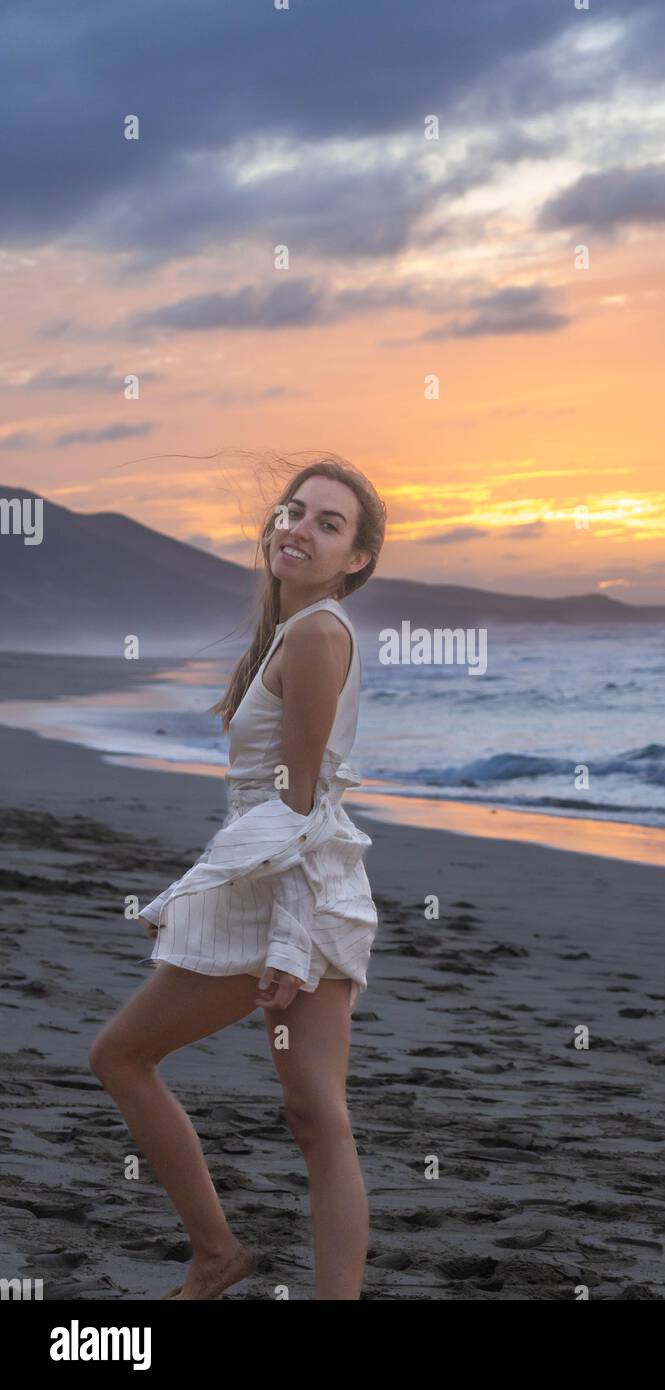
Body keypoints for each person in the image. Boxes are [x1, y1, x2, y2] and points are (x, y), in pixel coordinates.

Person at [89, 454, 387, 1300]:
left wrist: (292, 945)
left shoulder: (322, 632)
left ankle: (236, 1261)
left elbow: (300, 807)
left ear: (356, 559)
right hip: (270, 884)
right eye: (295, 512)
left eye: (329, 524)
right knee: (307, 1116)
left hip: (298, 892)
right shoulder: (291, 633)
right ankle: (217, 1254)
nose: (300, 528)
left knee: (312, 1116)